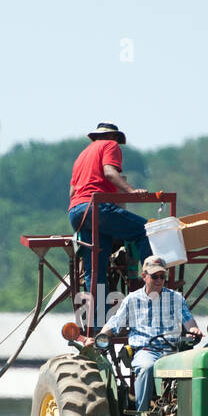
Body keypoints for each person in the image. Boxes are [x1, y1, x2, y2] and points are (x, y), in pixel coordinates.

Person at [100, 256, 202, 413]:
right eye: (155, 276)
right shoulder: (132, 299)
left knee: (192, 369)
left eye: (162, 276)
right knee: (147, 367)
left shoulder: (175, 298)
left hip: (172, 351)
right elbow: (115, 323)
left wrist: (194, 330)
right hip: (145, 351)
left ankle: (186, 414)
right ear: (144, 276)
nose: (159, 280)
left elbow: (189, 322)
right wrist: (100, 336)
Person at [68, 123, 153, 300]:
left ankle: (98, 324)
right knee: (146, 230)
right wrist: (131, 191)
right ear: (114, 137)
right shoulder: (110, 145)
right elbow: (109, 172)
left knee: (96, 271)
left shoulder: (82, 156)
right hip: (96, 209)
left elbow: (72, 192)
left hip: (77, 213)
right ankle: (153, 285)